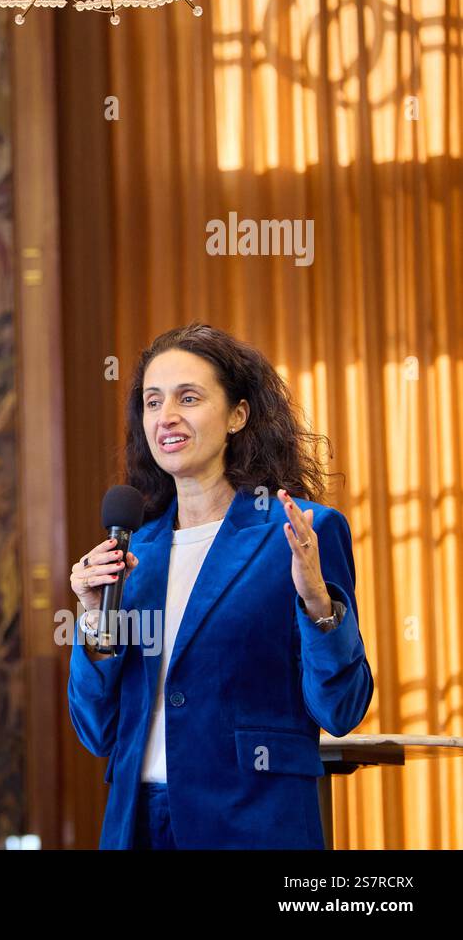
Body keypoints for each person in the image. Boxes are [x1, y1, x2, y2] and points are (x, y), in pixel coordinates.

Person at [67, 323, 373, 849]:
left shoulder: (302, 532)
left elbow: (340, 710)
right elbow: (97, 730)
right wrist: (94, 617)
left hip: (253, 822)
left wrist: (318, 603)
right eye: (152, 401)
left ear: (238, 415)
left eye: (189, 398)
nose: (166, 417)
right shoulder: (135, 550)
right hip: (136, 823)